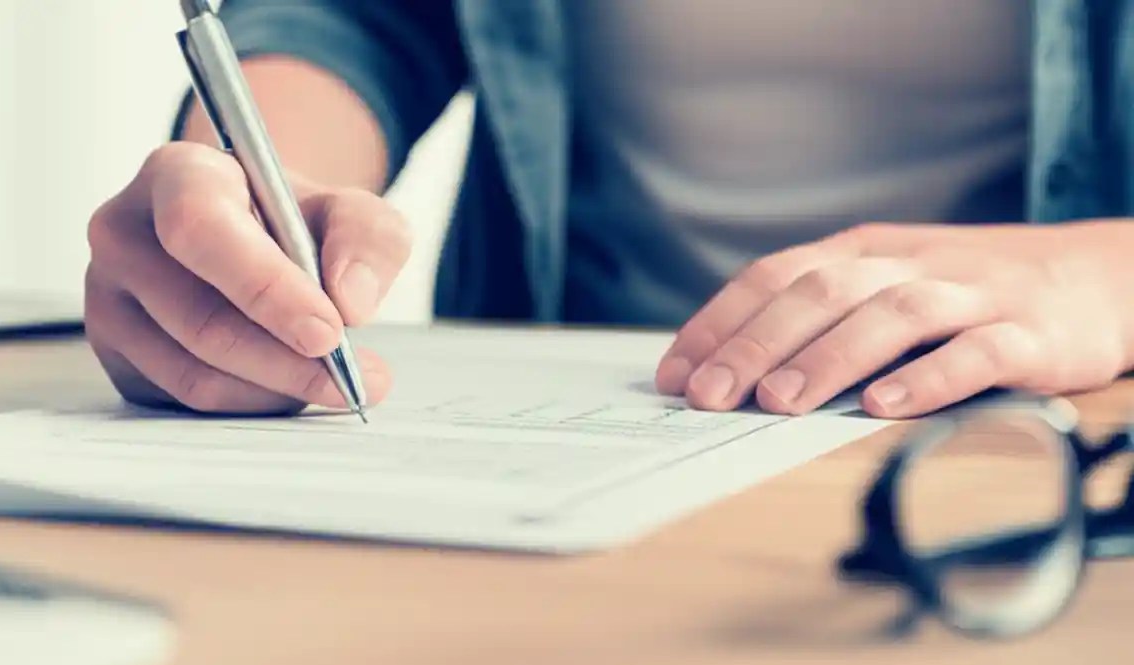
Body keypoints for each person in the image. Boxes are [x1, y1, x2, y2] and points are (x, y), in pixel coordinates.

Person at [85, 1, 1134, 419]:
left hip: (1028, 434)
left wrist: (1107, 272)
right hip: (582, 423)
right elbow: (357, 16)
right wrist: (242, 209)